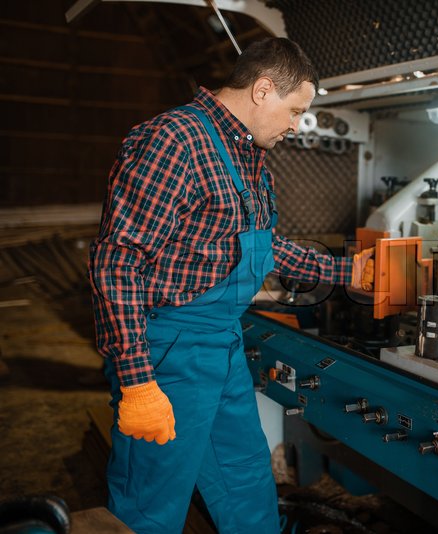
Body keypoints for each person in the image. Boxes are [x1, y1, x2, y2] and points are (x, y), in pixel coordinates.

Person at [88, 37, 373, 533]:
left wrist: (347, 273)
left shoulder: (248, 154)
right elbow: (116, 262)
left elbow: (261, 245)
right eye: (295, 110)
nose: (295, 125)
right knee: (151, 502)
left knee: (246, 482)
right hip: (166, 353)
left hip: (221, 343)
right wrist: (136, 380)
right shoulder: (174, 141)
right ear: (263, 90)